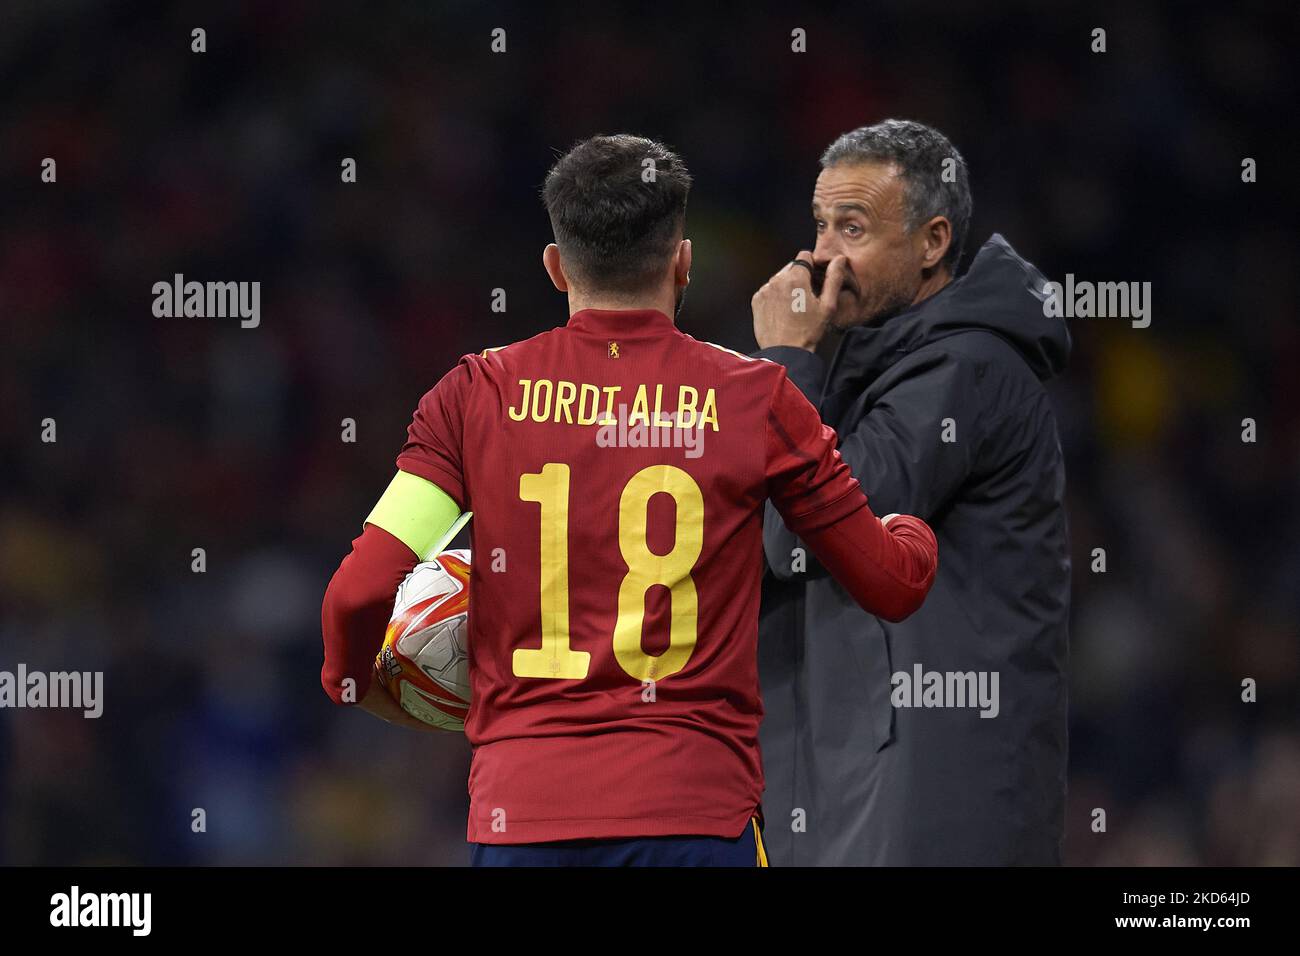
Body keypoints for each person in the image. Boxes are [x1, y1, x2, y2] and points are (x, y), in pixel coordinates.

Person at [320, 133, 938, 867]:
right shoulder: (755, 399)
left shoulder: (473, 396)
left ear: (556, 267)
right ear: (682, 262)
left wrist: (358, 683)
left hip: (525, 824)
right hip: (696, 823)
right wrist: (911, 530)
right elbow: (891, 583)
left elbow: (357, 593)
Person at [751, 119, 1071, 865]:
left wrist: (785, 363)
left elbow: (807, 532)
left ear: (931, 243)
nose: (821, 253)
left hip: (933, 798)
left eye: (852, 227)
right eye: (821, 224)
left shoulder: (968, 368)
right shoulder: (871, 372)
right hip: (851, 782)